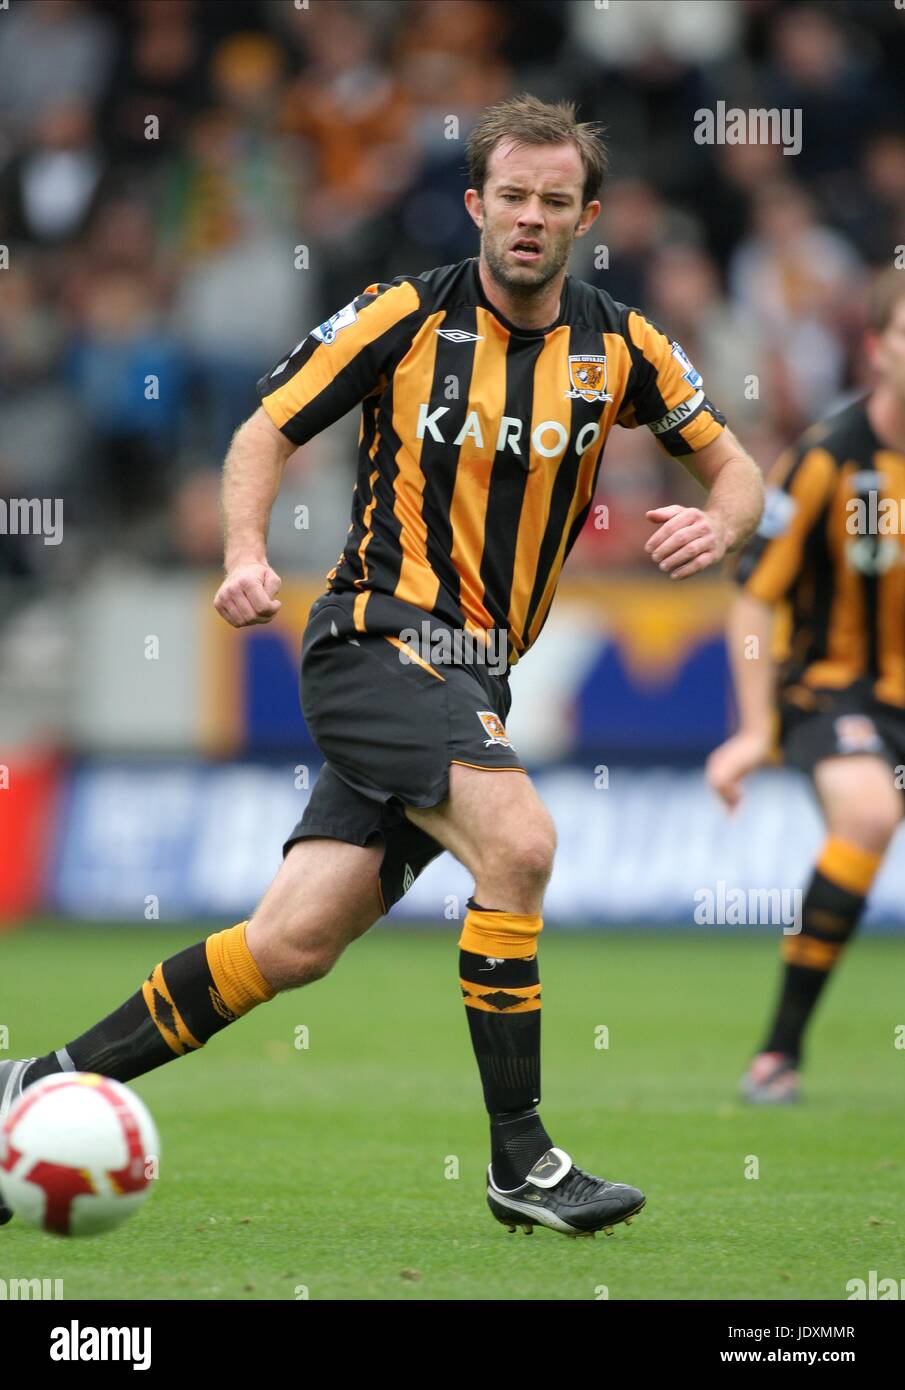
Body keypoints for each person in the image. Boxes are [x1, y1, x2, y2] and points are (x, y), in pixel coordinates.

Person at [1, 94, 763, 1237]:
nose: (528, 218)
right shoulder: (401, 317)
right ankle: (522, 1159)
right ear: (474, 204)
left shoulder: (623, 346)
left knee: (292, 942)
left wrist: (723, 525)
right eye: (510, 196)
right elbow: (263, 427)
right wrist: (247, 552)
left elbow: (735, 466)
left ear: (585, 217)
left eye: (554, 202)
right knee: (520, 841)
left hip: (473, 677)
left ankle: (36, 1080)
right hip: (375, 639)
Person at [708, 268, 905, 1104]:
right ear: (877, 347)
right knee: (867, 812)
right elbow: (753, 596)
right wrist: (754, 729)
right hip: (835, 695)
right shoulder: (828, 458)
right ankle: (776, 1055)